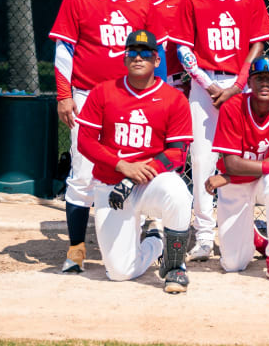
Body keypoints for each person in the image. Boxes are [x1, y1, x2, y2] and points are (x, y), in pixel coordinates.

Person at [49, 0, 167, 274]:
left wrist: (157, 95)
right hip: (87, 95)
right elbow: (63, 50)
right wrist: (63, 94)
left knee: (137, 166)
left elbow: (155, 53)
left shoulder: (141, 1)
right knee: (83, 172)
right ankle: (76, 249)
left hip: (130, 97)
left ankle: (143, 236)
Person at [172, 0, 269, 262]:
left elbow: (258, 43)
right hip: (203, 84)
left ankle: (244, 228)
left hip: (240, 85)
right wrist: (206, 84)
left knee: (242, 158)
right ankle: (204, 235)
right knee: (202, 159)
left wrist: (239, 84)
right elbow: (183, 48)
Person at [75, 30, 193, 292]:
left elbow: (178, 152)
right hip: (111, 186)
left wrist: (137, 174)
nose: (138, 58)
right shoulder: (103, 92)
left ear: (157, 60)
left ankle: (175, 267)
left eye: (145, 53)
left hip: (149, 183)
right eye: (133, 52)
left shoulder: (174, 98)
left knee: (178, 192)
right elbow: (85, 141)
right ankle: (155, 242)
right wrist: (122, 166)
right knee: (119, 273)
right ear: (125, 58)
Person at [203, 57, 269, 285]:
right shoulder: (232, 106)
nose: (265, 83)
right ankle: (256, 238)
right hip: (236, 182)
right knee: (233, 264)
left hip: (251, 180)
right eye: (259, 78)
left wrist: (229, 176)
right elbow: (232, 163)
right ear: (249, 82)